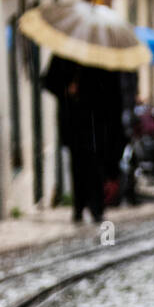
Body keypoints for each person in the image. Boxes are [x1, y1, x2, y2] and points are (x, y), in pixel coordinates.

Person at [42, 57, 124, 222]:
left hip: (98, 122)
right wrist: (66, 89)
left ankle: (96, 206)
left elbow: (113, 93)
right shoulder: (65, 55)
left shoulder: (104, 57)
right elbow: (48, 81)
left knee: (95, 162)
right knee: (78, 163)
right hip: (74, 121)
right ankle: (79, 206)